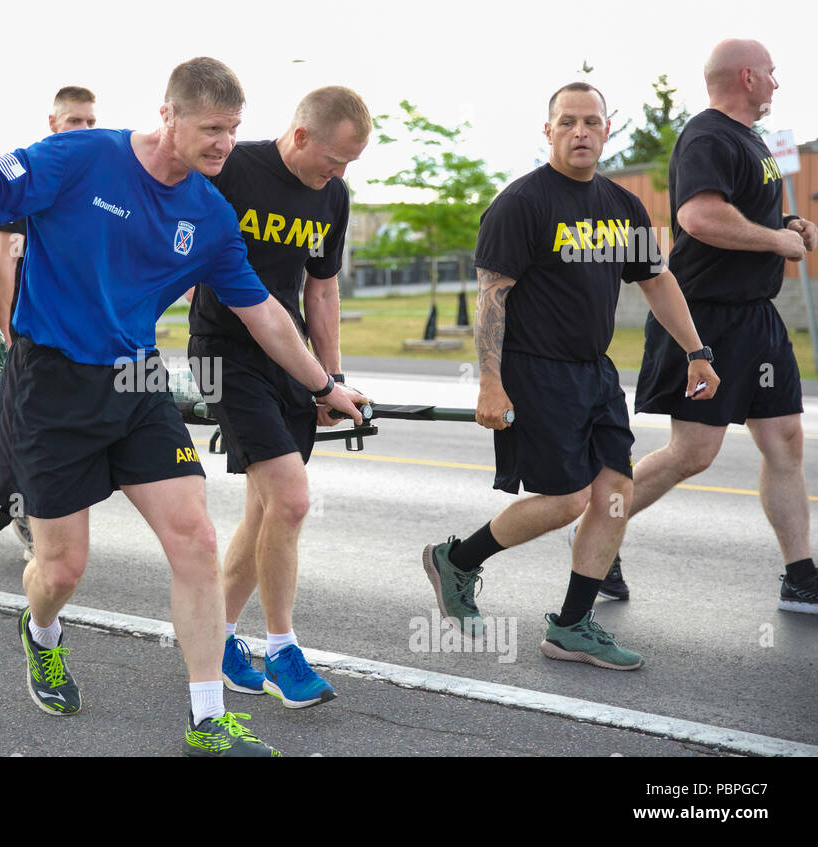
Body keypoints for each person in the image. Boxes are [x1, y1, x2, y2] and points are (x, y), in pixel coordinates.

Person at [0, 57, 363, 756]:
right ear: (170, 115)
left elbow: (268, 316)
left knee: (196, 538)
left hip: (134, 380)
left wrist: (324, 384)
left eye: (234, 131)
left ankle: (208, 719)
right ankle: (41, 632)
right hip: (52, 381)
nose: (225, 144)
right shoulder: (85, 155)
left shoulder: (212, 214)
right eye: (213, 129)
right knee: (62, 568)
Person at [422, 82, 719, 671]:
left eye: (591, 121)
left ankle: (571, 626)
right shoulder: (522, 202)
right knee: (565, 500)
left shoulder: (624, 205)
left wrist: (697, 350)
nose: (580, 131)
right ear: (549, 132)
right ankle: (457, 559)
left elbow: (657, 281)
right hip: (533, 370)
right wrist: (489, 381)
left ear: (607, 130)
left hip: (596, 373)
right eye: (567, 122)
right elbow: (492, 297)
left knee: (614, 492)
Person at [188, 86, 369, 708]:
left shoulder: (333, 197)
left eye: (349, 164)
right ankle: (282, 651)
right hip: (222, 353)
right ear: (299, 136)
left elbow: (320, 292)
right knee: (291, 501)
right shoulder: (233, 168)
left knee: (266, 511)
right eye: (334, 160)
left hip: (289, 356)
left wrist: (331, 377)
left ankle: (219, 638)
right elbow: (173, 253)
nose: (339, 174)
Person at [628, 40, 818, 613]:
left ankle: (800, 576)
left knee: (784, 439)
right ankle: (596, 529)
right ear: (747, 76)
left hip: (756, 316)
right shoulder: (708, 134)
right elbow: (698, 216)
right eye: (771, 73)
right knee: (694, 452)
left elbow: (735, 211)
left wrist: (784, 223)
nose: (777, 83)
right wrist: (775, 240)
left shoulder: (750, 140)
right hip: (704, 315)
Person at [0, 86, 97, 560]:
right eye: (75, 121)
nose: (85, 130)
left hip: (84, 330)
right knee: (23, 420)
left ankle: (60, 513)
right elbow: (4, 265)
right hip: (32, 325)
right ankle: (23, 509)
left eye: (92, 122)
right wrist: (9, 332)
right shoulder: (32, 176)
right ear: (53, 123)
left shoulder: (99, 179)